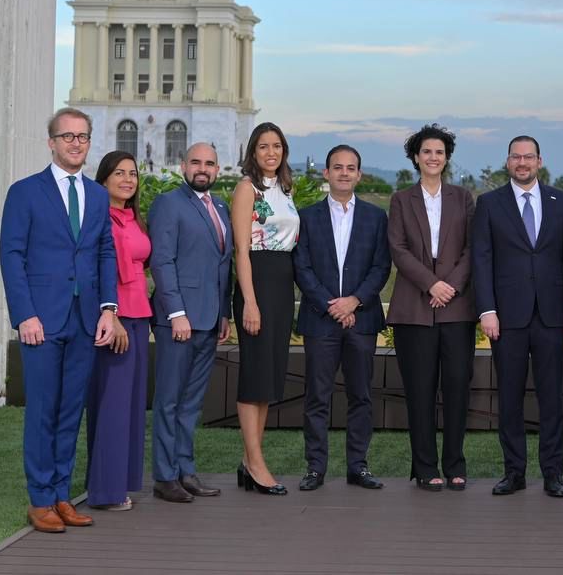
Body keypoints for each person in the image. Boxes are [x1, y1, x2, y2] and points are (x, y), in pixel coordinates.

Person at [0, 107, 118, 532]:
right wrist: (24, 315)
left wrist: (108, 309)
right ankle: (40, 500)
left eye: (82, 136)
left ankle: (62, 495)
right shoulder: (25, 192)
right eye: (67, 136)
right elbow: (11, 256)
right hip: (41, 321)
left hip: (85, 319)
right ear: (51, 142)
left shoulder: (98, 195)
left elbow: (105, 252)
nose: (75, 143)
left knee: (70, 411)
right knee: (42, 411)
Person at [472, 135, 563, 497]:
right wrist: (487, 310)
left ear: (539, 161)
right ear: (507, 162)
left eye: (528, 157)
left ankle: (553, 474)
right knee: (510, 398)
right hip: (506, 317)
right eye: (516, 157)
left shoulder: (561, 201)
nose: (522, 163)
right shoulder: (489, 204)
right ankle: (514, 472)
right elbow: (481, 260)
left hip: (551, 314)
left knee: (551, 399)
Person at [293, 144, 391, 492]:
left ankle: (358, 467)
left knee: (361, 396)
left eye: (351, 168)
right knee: (317, 397)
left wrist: (354, 302)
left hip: (362, 320)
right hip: (320, 319)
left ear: (359, 175)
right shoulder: (306, 217)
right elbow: (301, 266)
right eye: (338, 167)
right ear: (326, 173)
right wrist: (330, 304)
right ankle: (315, 468)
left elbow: (381, 266)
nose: (344, 173)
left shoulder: (376, 217)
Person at [387, 124, 477, 491]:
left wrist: (450, 286)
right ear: (416, 157)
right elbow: (398, 249)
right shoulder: (400, 199)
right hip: (415, 308)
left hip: (457, 308)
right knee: (420, 390)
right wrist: (431, 284)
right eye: (427, 151)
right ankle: (425, 467)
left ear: (447, 157)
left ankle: (455, 464)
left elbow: (472, 248)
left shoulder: (463, 198)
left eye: (439, 152)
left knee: (457, 387)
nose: (433, 157)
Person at [147, 143, 234, 502]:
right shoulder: (168, 204)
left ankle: (186, 471)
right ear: (183, 166)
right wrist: (176, 313)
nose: (202, 169)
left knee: (191, 404)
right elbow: (162, 262)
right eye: (195, 162)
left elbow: (223, 266)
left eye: (209, 163)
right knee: (169, 401)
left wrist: (224, 313)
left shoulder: (222, 207)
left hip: (210, 320)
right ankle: (164, 477)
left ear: (217, 169)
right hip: (178, 321)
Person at [230, 123, 300, 495]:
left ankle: (249, 460)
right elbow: (241, 251)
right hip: (256, 281)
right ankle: (257, 464)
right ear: (253, 152)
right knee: (254, 374)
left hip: (282, 285)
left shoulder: (286, 189)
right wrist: (250, 302)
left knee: (269, 378)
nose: (271, 153)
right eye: (263, 146)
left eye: (276, 146)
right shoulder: (247, 189)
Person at [86, 151, 154, 511]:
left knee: (130, 405)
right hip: (115, 317)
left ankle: (117, 482)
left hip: (140, 316)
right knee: (112, 404)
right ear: (103, 180)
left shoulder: (133, 217)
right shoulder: (99, 219)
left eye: (133, 173)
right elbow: (99, 272)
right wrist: (112, 317)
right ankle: (105, 491)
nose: (128, 179)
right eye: (119, 173)